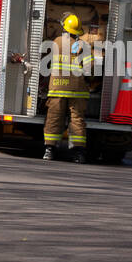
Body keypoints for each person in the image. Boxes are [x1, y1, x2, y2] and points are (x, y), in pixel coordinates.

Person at [43, 13, 94, 162]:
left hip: (57, 89)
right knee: (77, 120)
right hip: (77, 91)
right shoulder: (83, 46)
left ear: (64, 28)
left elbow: (46, 64)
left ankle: (49, 150)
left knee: (54, 118)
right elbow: (90, 68)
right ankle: (78, 154)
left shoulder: (55, 42)